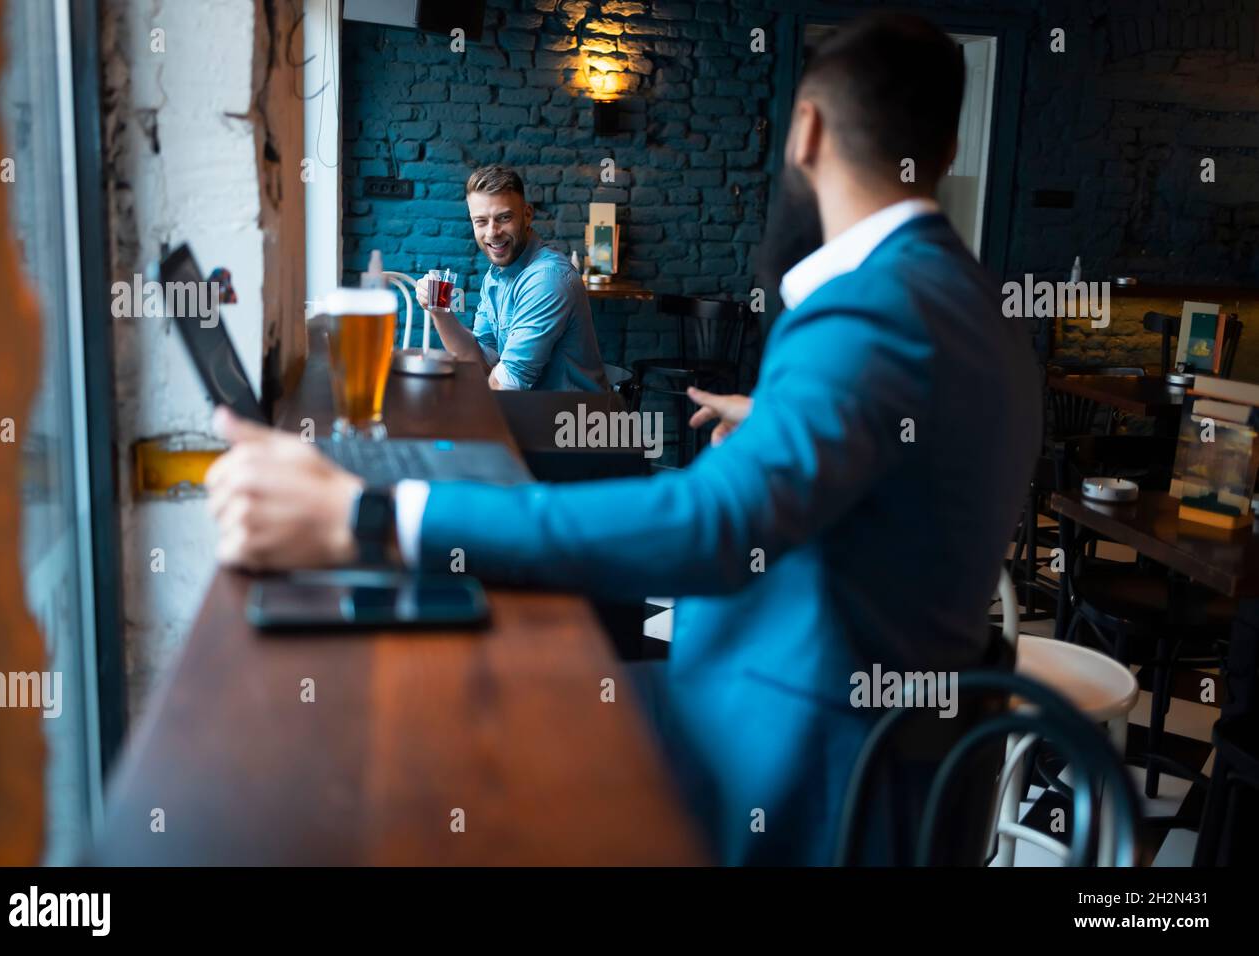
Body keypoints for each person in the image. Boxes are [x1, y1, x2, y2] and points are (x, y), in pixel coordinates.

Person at [206, 12, 1041, 864]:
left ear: (808, 131)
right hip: (891, 746)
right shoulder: (976, 301)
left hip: (795, 760)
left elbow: (715, 526)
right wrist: (784, 422)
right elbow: (921, 449)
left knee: (452, 739)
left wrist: (374, 514)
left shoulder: (871, 308)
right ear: (944, 147)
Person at [418, 164, 608, 392]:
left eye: (504, 218)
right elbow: (480, 362)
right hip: (532, 412)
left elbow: (507, 383)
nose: (492, 232)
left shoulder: (547, 279)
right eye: (481, 221)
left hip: (568, 421)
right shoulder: (496, 275)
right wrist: (439, 312)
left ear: (527, 215)